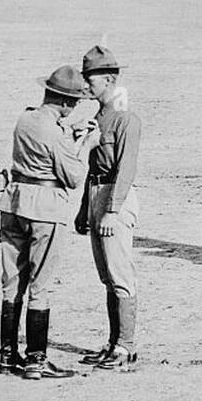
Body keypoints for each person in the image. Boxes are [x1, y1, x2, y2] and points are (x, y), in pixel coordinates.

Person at [0, 65, 96, 379]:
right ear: (66, 103)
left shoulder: (25, 118)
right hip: (45, 207)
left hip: (13, 203)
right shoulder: (56, 132)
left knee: (12, 284)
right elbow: (74, 177)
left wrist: (70, 134)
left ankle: (7, 355)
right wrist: (85, 145)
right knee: (41, 287)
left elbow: (47, 143)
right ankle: (36, 360)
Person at [74, 46, 143, 370]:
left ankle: (125, 347)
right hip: (96, 194)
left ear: (110, 79)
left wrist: (112, 210)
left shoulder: (126, 118)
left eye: (92, 79)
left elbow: (126, 168)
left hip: (116, 197)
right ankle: (113, 341)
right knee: (107, 277)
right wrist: (84, 208)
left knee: (120, 275)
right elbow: (92, 166)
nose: (86, 85)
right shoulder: (98, 117)